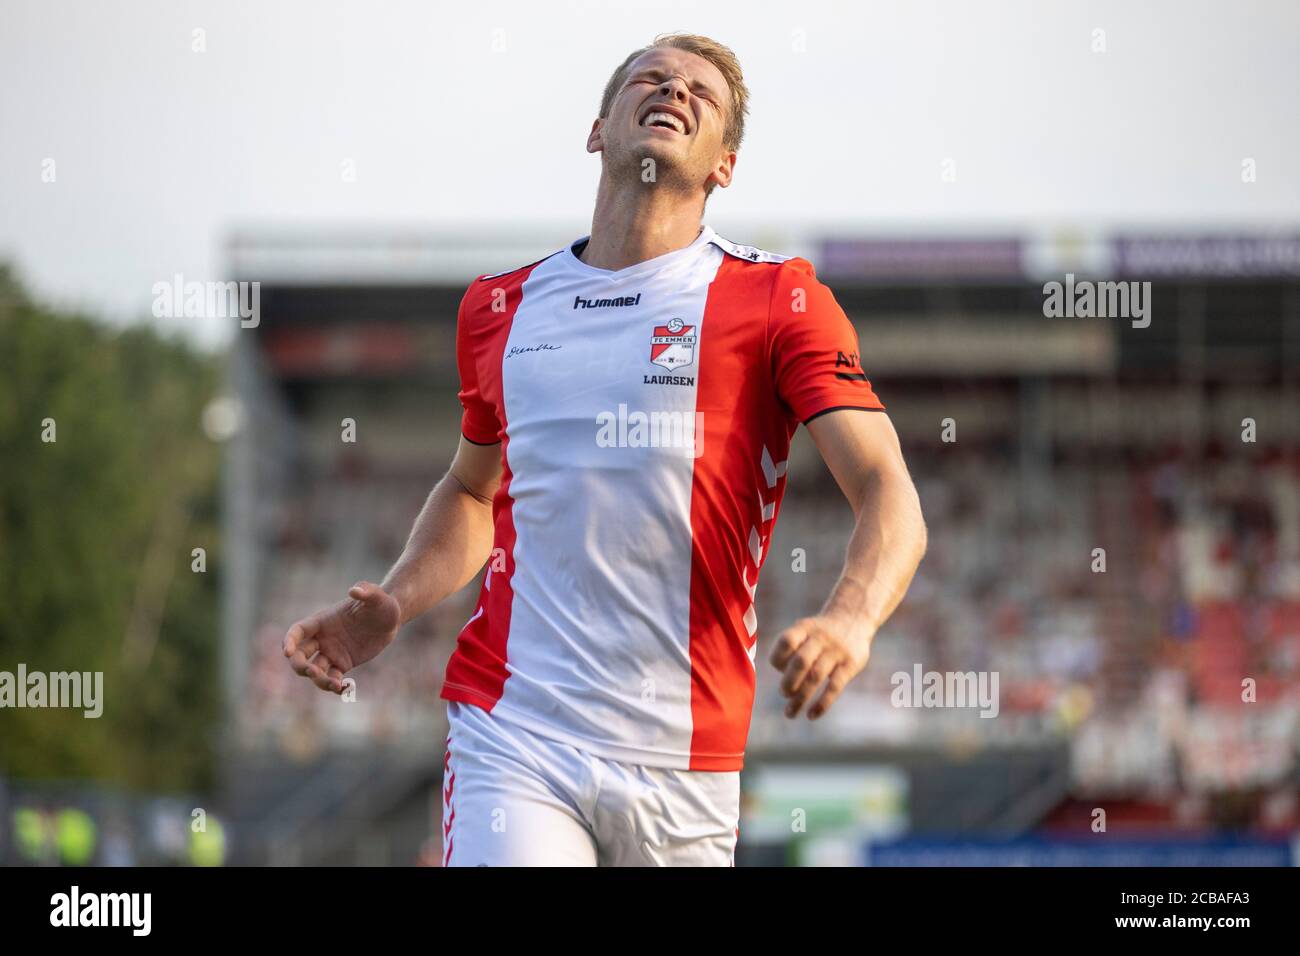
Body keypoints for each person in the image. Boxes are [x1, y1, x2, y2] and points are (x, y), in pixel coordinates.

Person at [284, 33, 927, 866]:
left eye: (702, 93)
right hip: (516, 734)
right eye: (652, 79)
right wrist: (398, 602)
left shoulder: (780, 299)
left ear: (724, 166)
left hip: (687, 762)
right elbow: (474, 492)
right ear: (598, 130)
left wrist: (849, 620)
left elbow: (887, 486)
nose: (675, 91)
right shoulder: (498, 306)